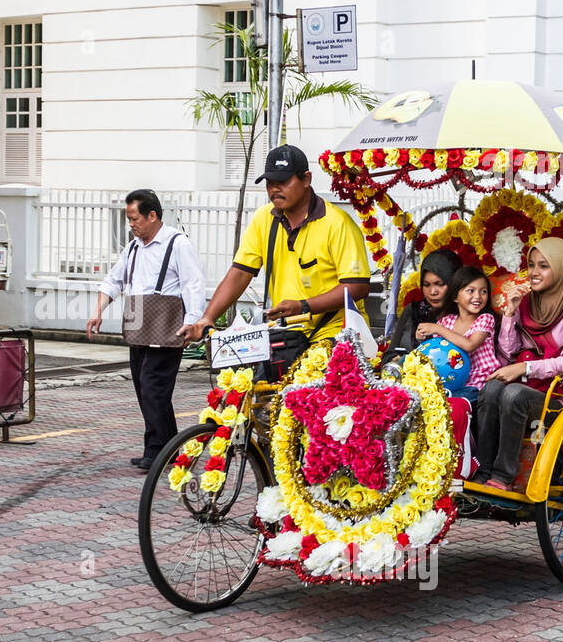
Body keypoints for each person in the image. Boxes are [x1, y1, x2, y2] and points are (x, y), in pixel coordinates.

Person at [181, 143, 371, 346]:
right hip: (288, 335)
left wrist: (303, 306)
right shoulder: (263, 218)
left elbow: (357, 287)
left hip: (336, 333)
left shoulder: (337, 223)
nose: (274, 189)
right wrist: (207, 318)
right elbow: (239, 273)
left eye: (283, 181)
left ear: (306, 179)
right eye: (270, 183)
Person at [88, 188, 206, 470]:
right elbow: (113, 281)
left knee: (154, 390)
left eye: (134, 218)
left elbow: (193, 285)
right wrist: (97, 312)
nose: (131, 224)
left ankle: (161, 450)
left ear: (152, 215)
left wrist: (193, 321)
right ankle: (162, 448)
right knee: (145, 390)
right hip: (139, 327)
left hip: (167, 330)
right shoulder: (132, 247)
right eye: (129, 219)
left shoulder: (177, 244)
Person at [471, 238, 563, 491]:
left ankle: (503, 477)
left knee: (514, 394)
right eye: (531, 265)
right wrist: (509, 313)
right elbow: (507, 354)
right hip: (523, 387)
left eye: (544, 266)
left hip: (555, 399)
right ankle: (482, 471)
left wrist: (525, 368)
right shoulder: (528, 301)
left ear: (561, 269)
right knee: (492, 388)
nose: (534, 273)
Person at [418, 265, 501, 405]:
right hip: (450, 384)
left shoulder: (485, 319)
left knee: (451, 405)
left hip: (477, 384)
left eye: (483, 291)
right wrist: (420, 335)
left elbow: (470, 345)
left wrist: (437, 328)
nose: (478, 296)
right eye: (471, 291)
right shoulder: (446, 321)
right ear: (455, 297)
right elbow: (437, 351)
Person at [384, 250, 462, 358]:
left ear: (454, 283)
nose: (433, 292)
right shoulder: (413, 310)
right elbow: (388, 356)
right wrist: (398, 361)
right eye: (426, 285)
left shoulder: (467, 313)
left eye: (440, 284)